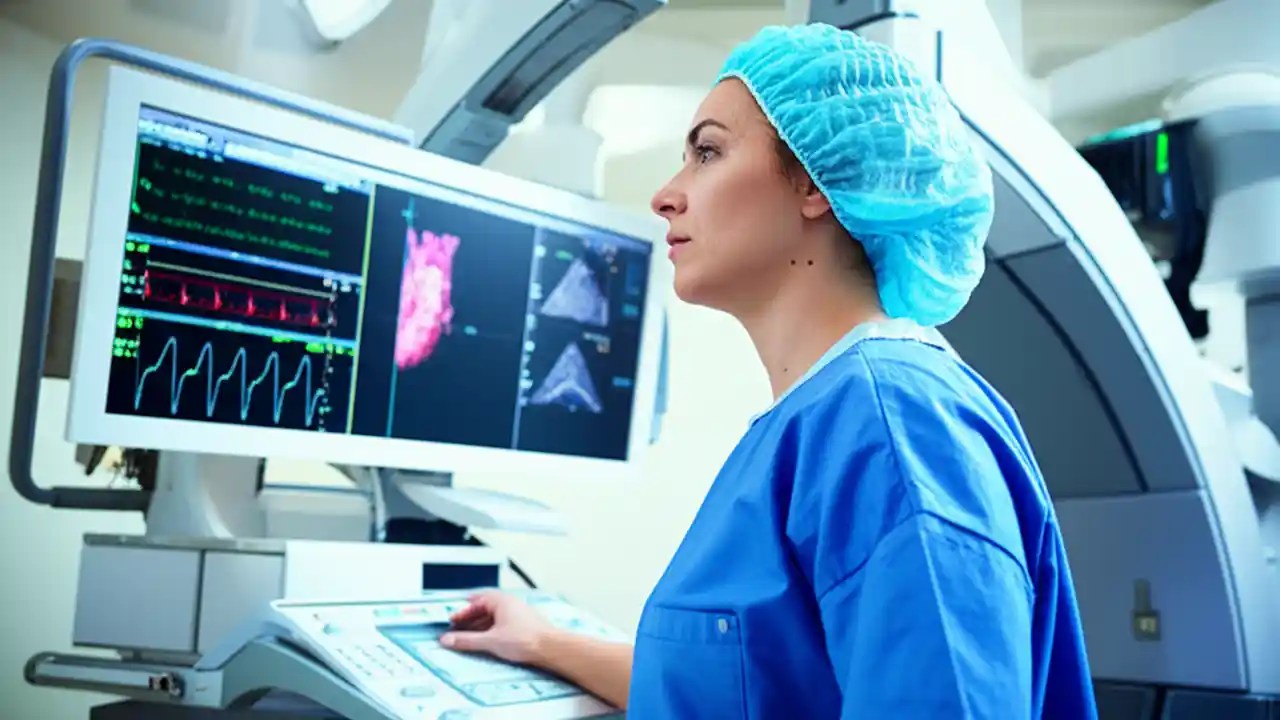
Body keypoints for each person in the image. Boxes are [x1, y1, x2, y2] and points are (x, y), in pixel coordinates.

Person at [440, 22, 1098, 718]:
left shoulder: (893, 421)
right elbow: (744, 687)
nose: (666, 194)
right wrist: (543, 641)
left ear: (814, 183)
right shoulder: (823, 419)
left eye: (708, 153)